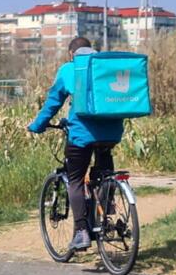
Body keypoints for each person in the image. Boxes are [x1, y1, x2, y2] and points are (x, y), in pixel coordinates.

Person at [26, 37, 123, 251]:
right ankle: (107, 205)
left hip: (82, 134)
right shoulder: (105, 68)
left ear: (72, 54)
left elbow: (53, 102)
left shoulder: (70, 69)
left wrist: (37, 125)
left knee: (76, 178)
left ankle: (81, 232)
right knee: (104, 170)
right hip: (113, 132)